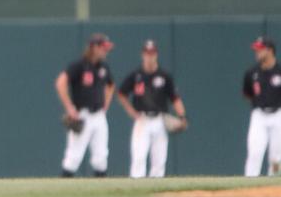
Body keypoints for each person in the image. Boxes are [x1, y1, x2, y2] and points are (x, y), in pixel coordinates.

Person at [116, 40, 187, 178]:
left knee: (159, 160)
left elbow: (175, 98)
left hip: (160, 120)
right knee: (139, 157)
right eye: (147, 53)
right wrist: (130, 111)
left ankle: (156, 193)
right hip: (142, 119)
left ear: (156, 55)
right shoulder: (136, 75)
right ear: (143, 54)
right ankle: (136, 190)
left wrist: (182, 117)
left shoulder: (164, 76)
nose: (150, 56)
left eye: (152, 53)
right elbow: (121, 93)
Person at [55, 34, 115, 178]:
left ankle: (103, 195)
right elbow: (60, 83)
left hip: (99, 116)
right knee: (73, 158)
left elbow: (111, 85)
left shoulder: (103, 67)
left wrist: (105, 105)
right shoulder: (79, 66)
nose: (106, 52)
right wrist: (70, 108)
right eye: (103, 48)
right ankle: (61, 193)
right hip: (82, 115)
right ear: (94, 47)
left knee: (101, 158)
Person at [243, 36, 281, 177]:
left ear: (269, 51)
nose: (256, 52)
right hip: (259, 115)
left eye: (260, 50)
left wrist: (280, 104)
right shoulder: (251, 73)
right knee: (254, 152)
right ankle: (249, 187)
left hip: (279, 115)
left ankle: (273, 188)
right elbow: (247, 94)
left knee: (276, 158)